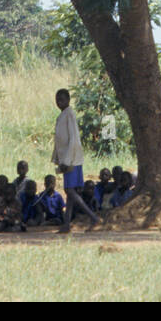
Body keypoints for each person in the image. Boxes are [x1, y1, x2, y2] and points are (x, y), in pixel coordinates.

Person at [52, 88, 99, 232]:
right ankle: (66, 224)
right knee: (71, 193)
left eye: (62, 99)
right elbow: (59, 140)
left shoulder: (69, 114)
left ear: (68, 100)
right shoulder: (62, 116)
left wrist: (66, 160)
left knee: (69, 190)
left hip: (72, 158)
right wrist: (56, 158)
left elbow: (73, 138)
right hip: (68, 158)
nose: (59, 102)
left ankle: (93, 218)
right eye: (57, 99)